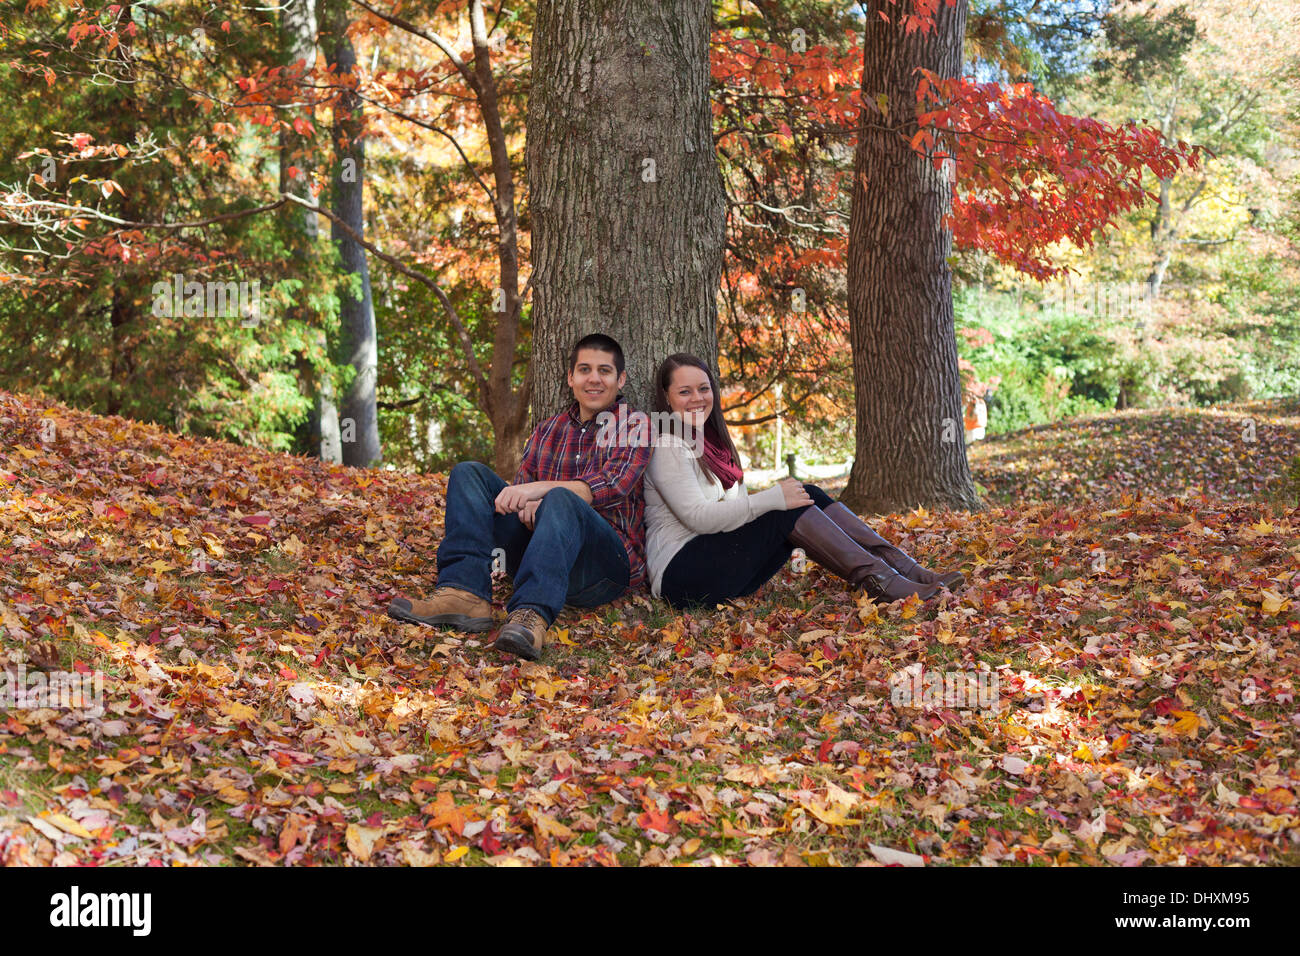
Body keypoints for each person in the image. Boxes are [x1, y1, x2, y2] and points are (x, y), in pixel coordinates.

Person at [388, 334, 651, 661]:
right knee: (469, 473)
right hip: (542, 550)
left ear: (620, 379)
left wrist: (540, 492)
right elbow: (518, 500)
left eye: (604, 371)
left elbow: (611, 485)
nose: (594, 379)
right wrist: (529, 502)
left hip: (602, 568)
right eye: (584, 369)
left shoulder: (634, 425)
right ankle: (463, 593)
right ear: (571, 378)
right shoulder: (547, 430)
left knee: (562, 498)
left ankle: (530, 617)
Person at [643, 353, 964, 610]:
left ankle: (900, 567)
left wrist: (776, 500)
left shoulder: (713, 444)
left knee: (804, 494)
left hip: (719, 567)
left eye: (703, 388)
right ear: (666, 398)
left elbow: (735, 513)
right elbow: (697, 518)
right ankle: (882, 583)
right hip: (681, 575)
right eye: (684, 391)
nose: (697, 398)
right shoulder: (668, 446)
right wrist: (772, 500)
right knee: (785, 508)